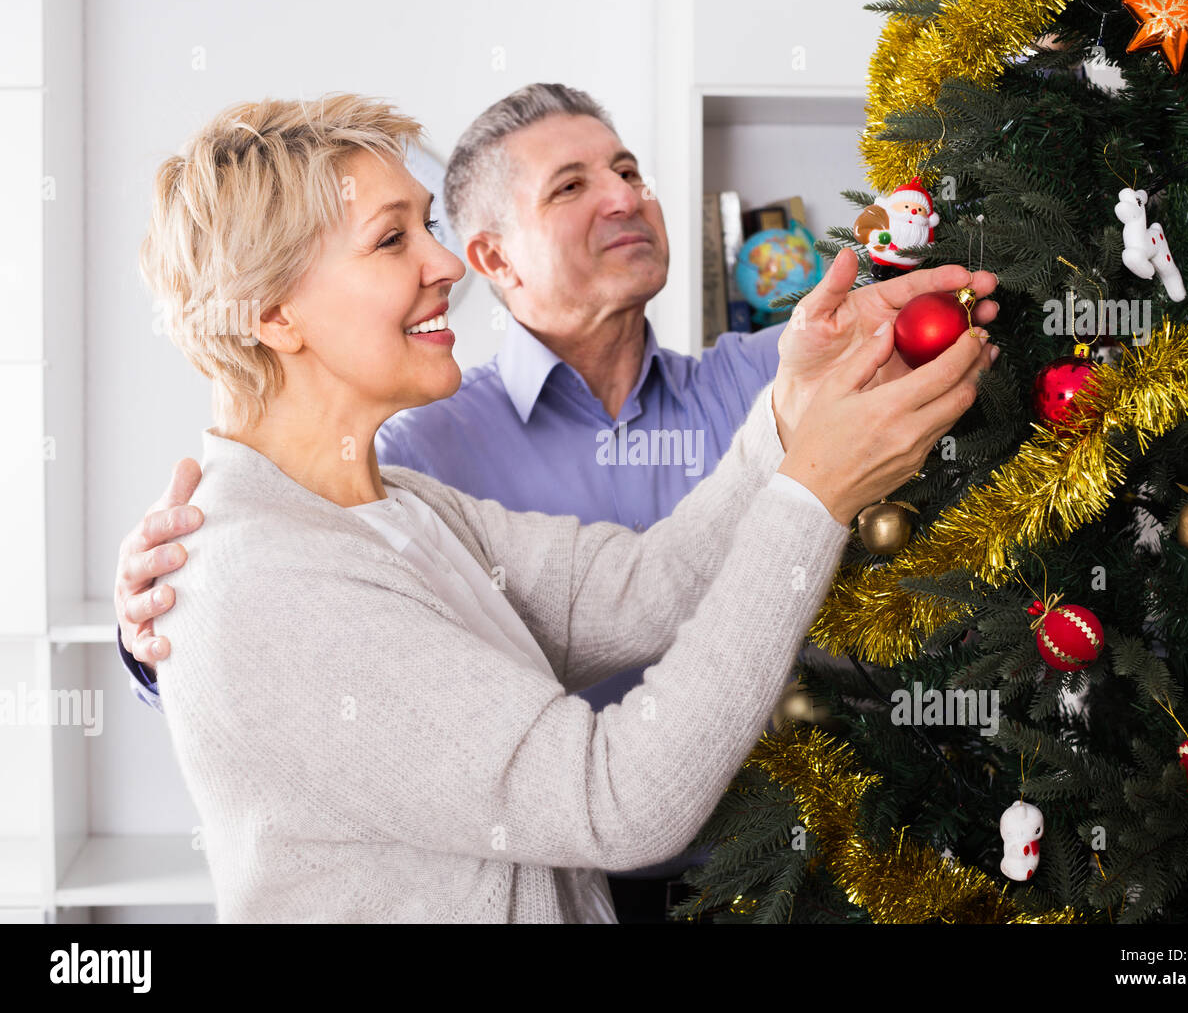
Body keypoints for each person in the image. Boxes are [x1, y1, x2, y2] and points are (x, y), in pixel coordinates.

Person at [114, 83, 1000, 919]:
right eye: (392, 240)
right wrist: (815, 494)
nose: (448, 262)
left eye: (427, 226)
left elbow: (645, 586)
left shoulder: (398, 504)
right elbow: (618, 802)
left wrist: (792, 415)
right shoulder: (274, 576)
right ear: (273, 314)